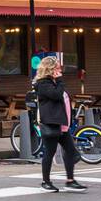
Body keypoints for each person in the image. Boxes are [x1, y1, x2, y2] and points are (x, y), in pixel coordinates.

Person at [34, 56, 87, 193]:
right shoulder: (43, 83)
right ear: (50, 69)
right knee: (49, 153)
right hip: (51, 123)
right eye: (57, 67)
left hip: (62, 124)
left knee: (70, 152)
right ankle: (46, 182)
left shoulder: (53, 82)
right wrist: (59, 80)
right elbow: (56, 96)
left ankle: (70, 180)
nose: (60, 70)